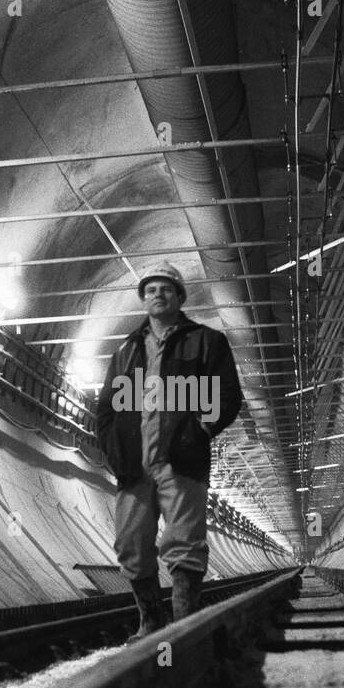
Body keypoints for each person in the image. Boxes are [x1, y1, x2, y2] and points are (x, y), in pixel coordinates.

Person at [95, 263, 243, 639]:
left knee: (184, 544)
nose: (157, 294)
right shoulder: (126, 351)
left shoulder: (206, 341)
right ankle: (150, 621)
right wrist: (115, 451)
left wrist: (199, 430)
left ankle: (183, 628)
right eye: (150, 290)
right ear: (143, 299)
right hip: (134, 467)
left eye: (166, 288)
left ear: (179, 296)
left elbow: (226, 395)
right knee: (130, 545)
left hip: (181, 463)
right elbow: (107, 409)